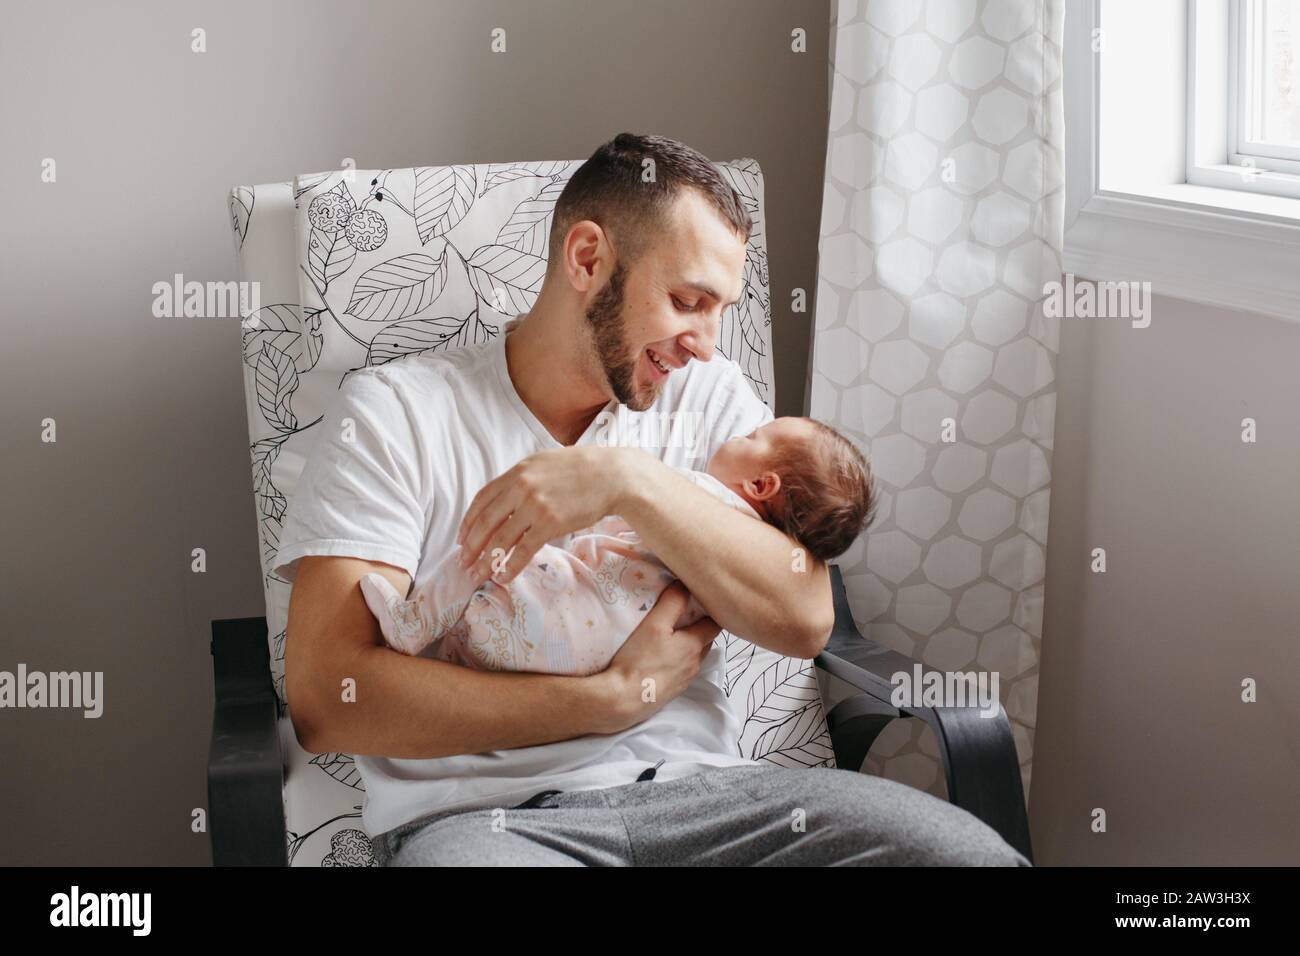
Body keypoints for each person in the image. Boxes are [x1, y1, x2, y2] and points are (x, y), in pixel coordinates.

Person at [276, 132, 1030, 866]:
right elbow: (326, 698)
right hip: (489, 823)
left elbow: (803, 619)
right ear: (587, 258)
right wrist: (604, 702)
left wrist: (627, 482)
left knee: (959, 854)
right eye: (686, 300)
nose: (705, 340)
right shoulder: (395, 414)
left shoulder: (707, 396)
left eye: (721, 309)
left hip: (709, 801)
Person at [358, 416, 877, 675]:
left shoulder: (701, 498)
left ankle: (416, 624)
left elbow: (811, 625)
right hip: (581, 656)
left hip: (549, 617)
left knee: (492, 547)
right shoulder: (749, 557)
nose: (736, 433)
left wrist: (621, 481)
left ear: (763, 485)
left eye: (752, 436)